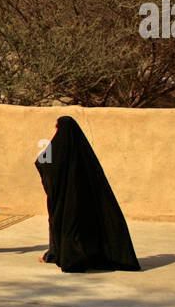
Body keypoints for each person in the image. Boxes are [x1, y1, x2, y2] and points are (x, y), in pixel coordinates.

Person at [35, 115, 141, 272]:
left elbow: (42, 163)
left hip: (64, 201)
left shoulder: (57, 149)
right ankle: (77, 256)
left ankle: (60, 255)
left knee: (62, 226)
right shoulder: (83, 152)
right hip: (83, 200)